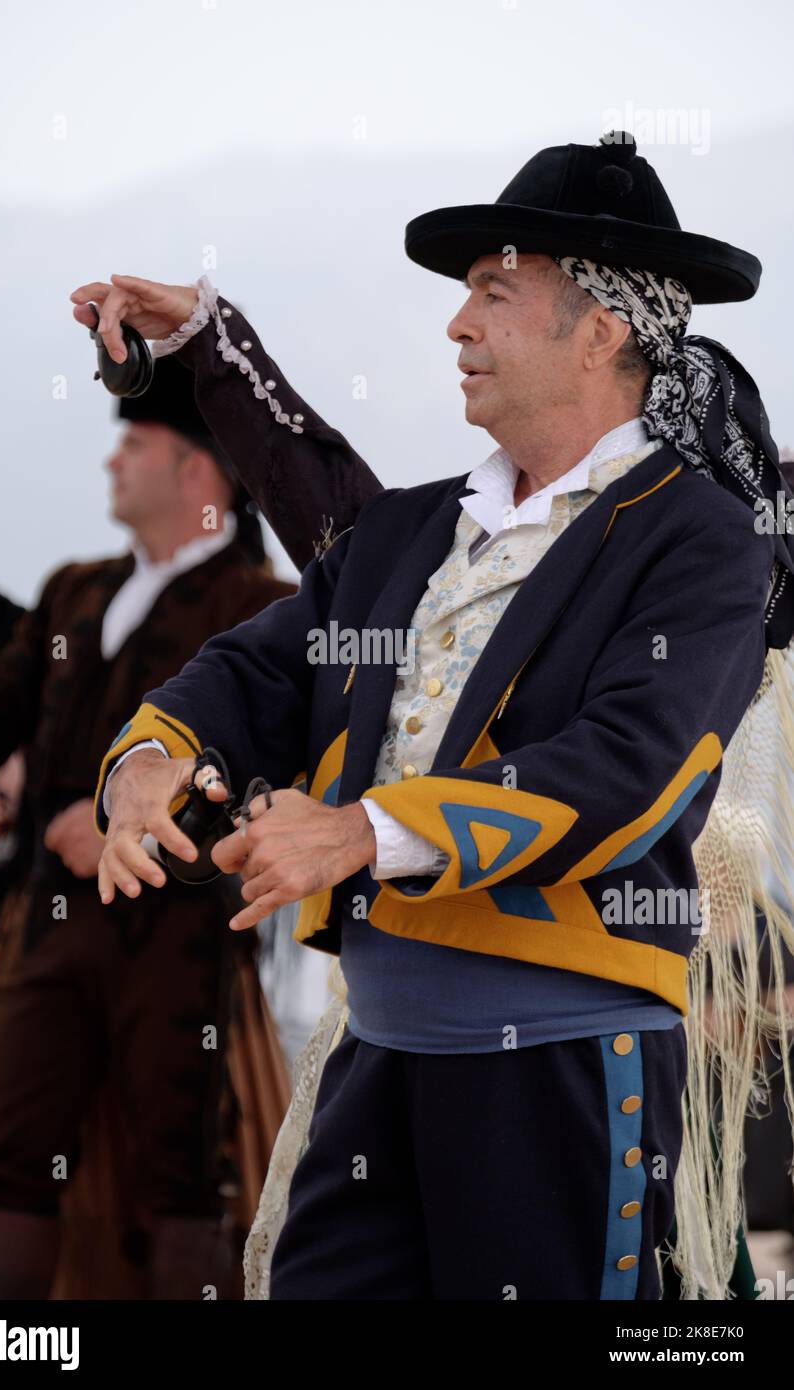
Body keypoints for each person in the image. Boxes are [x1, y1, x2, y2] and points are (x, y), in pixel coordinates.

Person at [85, 132, 794, 1300]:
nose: (456, 325)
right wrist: (150, 762)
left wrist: (361, 829)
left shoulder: (698, 541)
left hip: (561, 1070)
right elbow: (255, 673)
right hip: (381, 1058)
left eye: (491, 294)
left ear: (600, 331)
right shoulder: (411, 529)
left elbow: (628, 769)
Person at [0, 356, 297, 1299]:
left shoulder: (261, 606)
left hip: (187, 941)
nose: (109, 464)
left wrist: (146, 828)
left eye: (132, 444)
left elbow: (272, 771)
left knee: (183, 1173)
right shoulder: (72, 591)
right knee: (5, 1151)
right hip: (45, 931)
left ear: (195, 473)